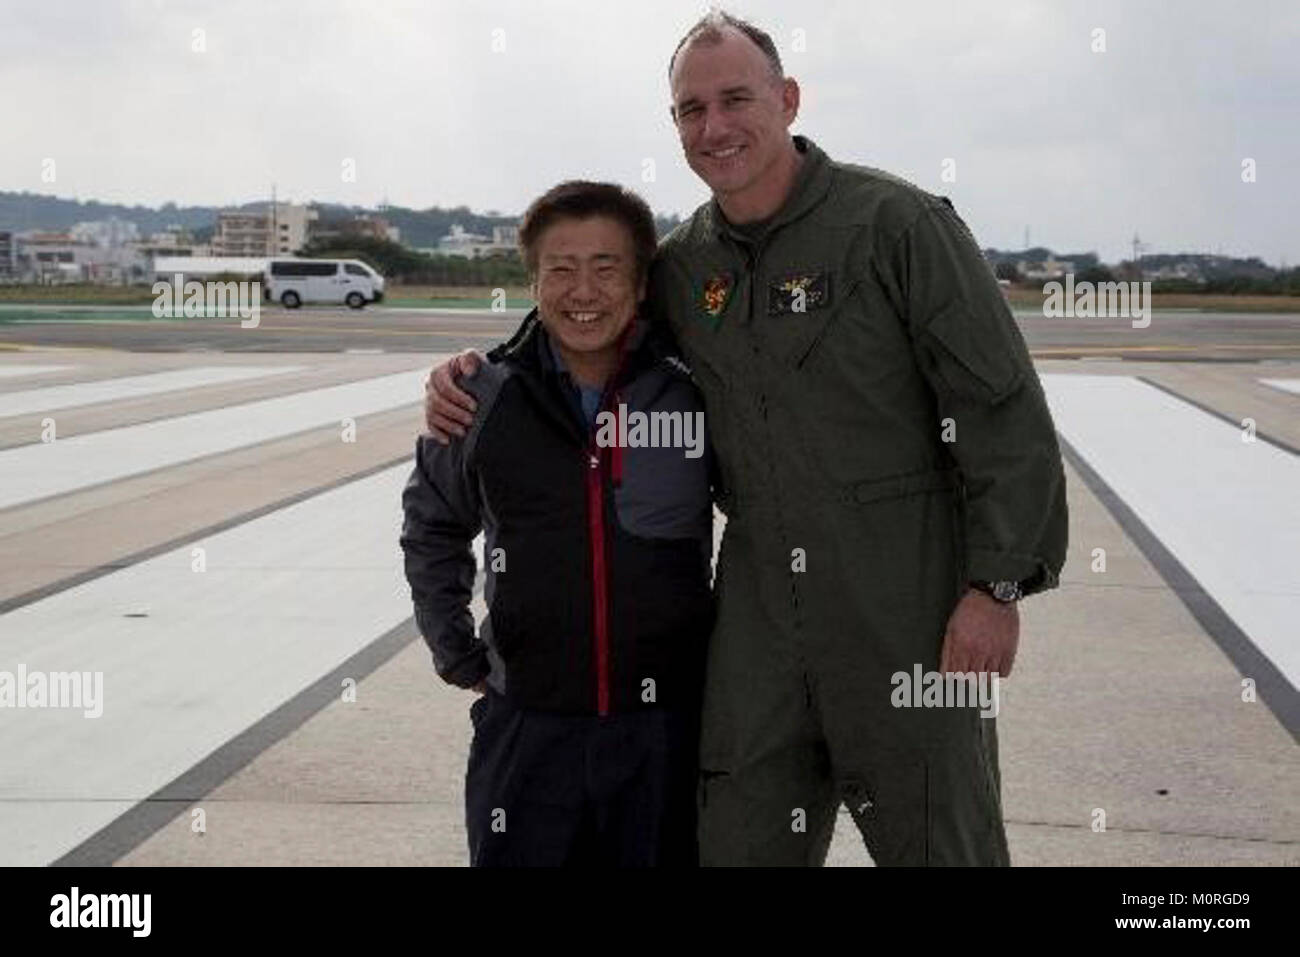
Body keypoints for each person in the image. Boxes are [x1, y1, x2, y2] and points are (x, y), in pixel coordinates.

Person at [424, 11, 1068, 866]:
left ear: (788, 99)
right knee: (735, 835)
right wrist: (472, 370)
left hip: (906, 603)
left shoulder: (897, 227)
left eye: (735, 100)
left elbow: (1002, 407)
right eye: (692, 110)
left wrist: (998, 585)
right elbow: (583, 317)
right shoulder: (687, 263)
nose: (714, 127)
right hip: (759, 608)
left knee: (941, 837)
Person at [401, 181, 714, 866]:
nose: (584, 291)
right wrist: (456, 649)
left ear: (639, 284)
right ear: (533, 280)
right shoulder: (479, 395)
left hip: (663, 733)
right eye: (561, 269)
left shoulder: (694, 388)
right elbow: (431, 525)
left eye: (606, 268)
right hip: (526, 733)